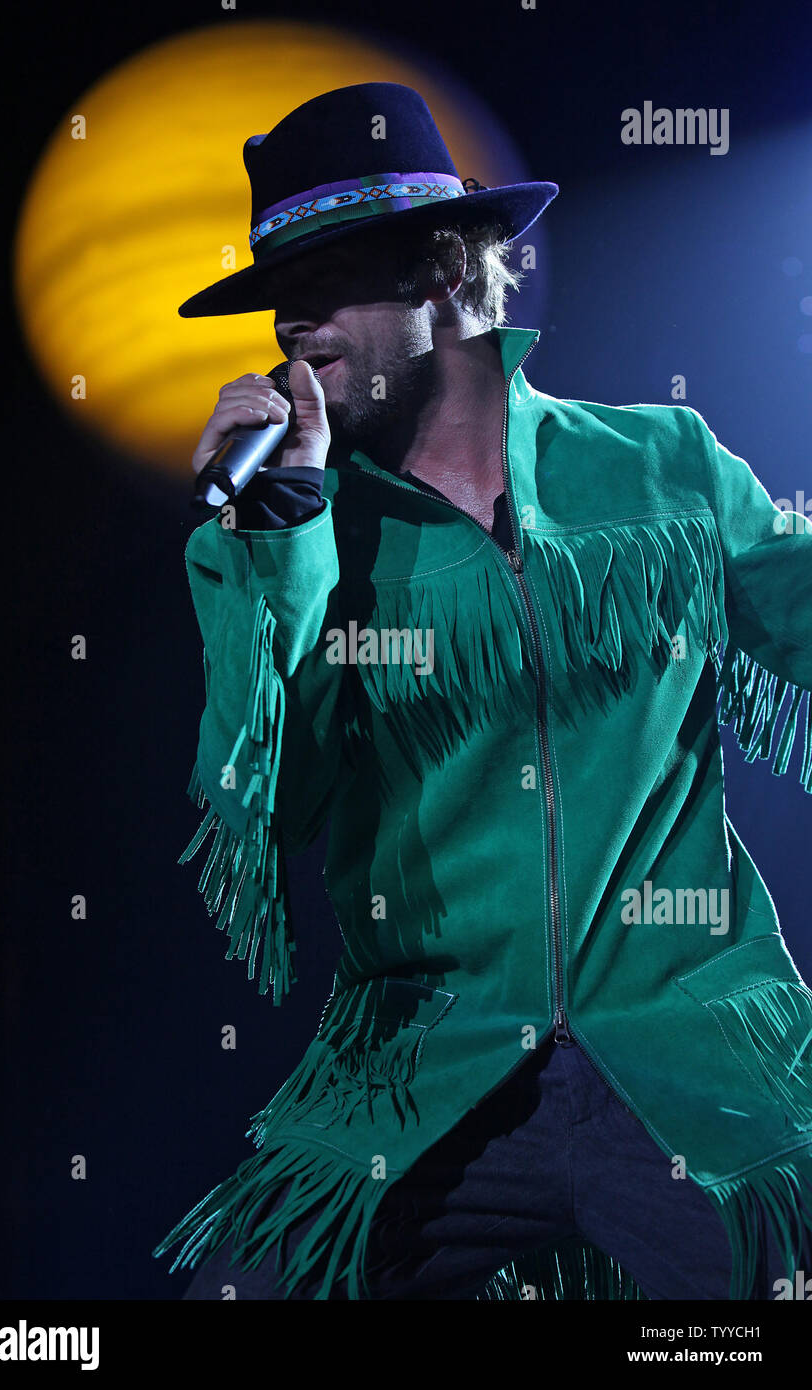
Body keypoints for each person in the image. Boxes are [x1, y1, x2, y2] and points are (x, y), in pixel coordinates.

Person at [153, 83, 812, 1301]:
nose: (294, 320)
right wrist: (278, 543)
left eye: (330, 272)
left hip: (690, 1045)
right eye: (277, 293)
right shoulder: (282, 537)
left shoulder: (659, 466)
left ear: (447, 272)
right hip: (425, 1063)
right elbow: (273, 803)